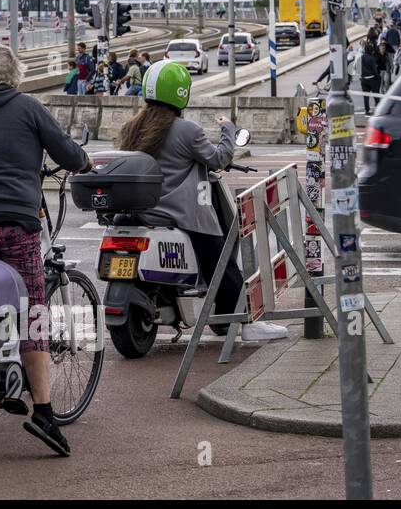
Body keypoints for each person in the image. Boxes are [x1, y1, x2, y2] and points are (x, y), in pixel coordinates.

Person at [0, 44, 91, 456]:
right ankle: (43, 411)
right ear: (15, 74)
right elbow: (67, 152)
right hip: (14, 221)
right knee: (33, 307)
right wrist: (85, 163)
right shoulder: (27, 107)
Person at [116, 60, 288, 344]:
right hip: (182, 213)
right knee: (223, 264)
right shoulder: (187, 130)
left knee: (216, 257)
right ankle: (246, 323)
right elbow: (219, 158)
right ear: (181, 92)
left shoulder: (132, 127)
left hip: (143, 213)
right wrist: (228, 130)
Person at [360, 43, 382, 115]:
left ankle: (367, 110)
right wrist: (378, 77)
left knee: (366, 96)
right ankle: (378, 109)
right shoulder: (372, 58)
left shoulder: (361, 57)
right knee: (376, 95)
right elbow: (375, 70)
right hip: (372, 79)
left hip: (363, 79)